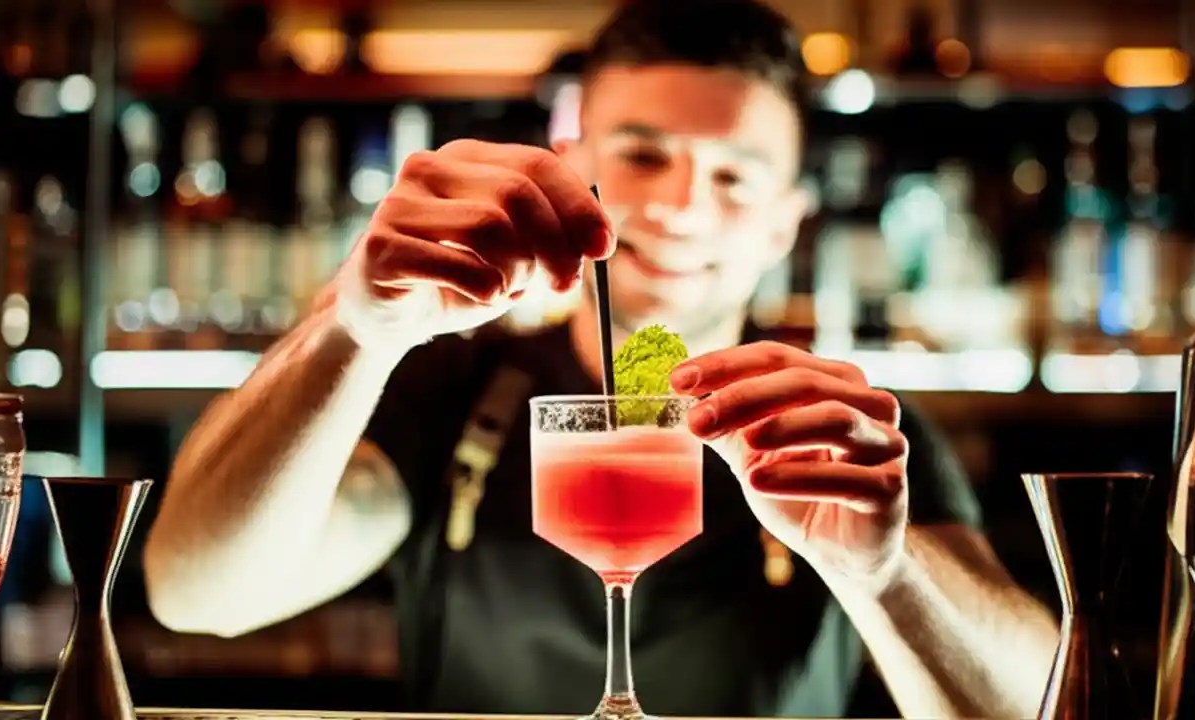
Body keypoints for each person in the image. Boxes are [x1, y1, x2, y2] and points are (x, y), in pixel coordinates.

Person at [142, 0, 1059, 717]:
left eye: (734, 175)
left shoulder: (854, 435)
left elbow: (1041, 706)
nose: (680, 207)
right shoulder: (449, 392)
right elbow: (196, 592)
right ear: (572, 164)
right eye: (643, 154)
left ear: (787, 223)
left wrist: (887, 572)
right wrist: (351, 326)